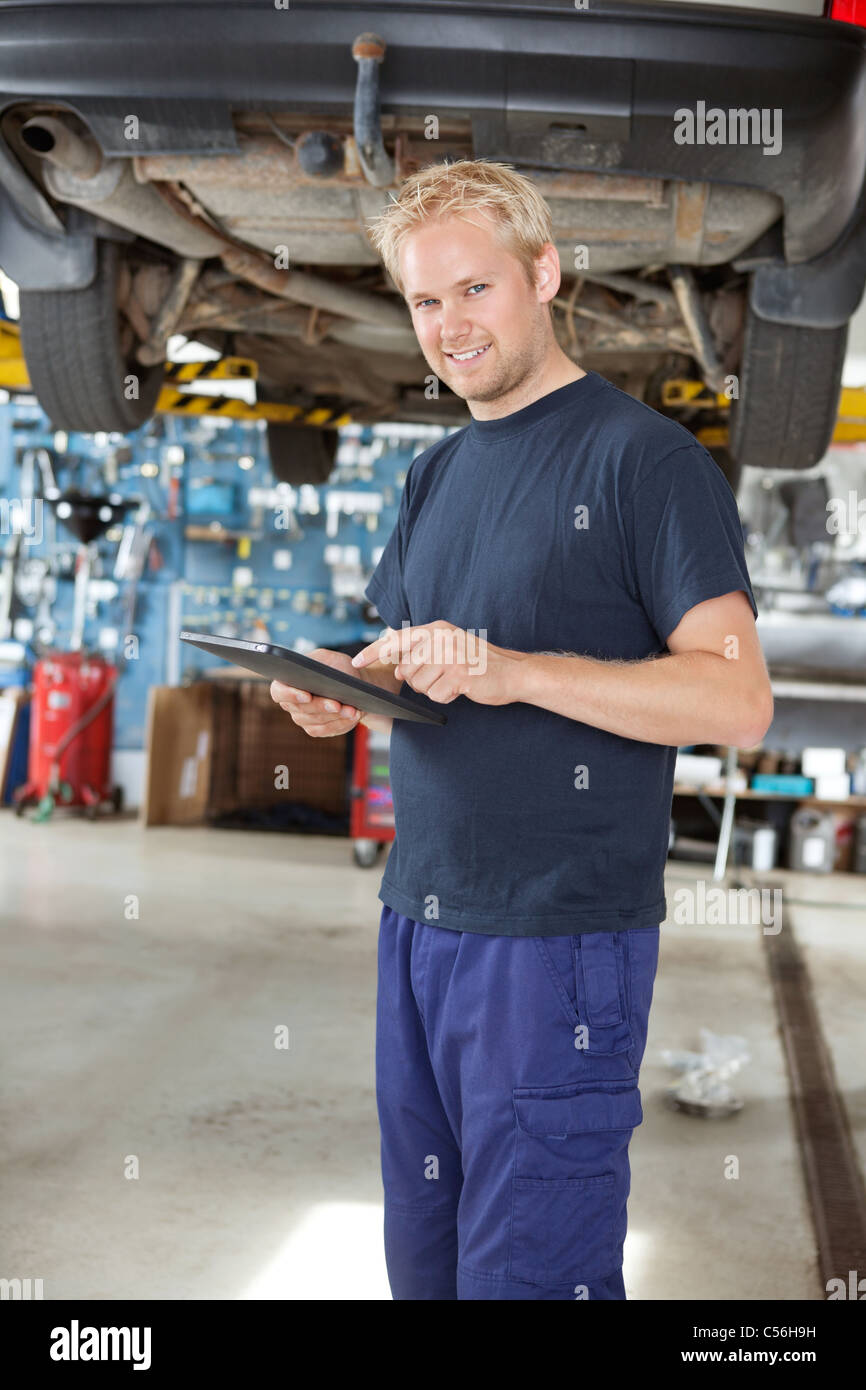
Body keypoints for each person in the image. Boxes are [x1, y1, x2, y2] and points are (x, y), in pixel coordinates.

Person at [270, 158, 773, 1300]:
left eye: (474, 289)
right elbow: (417, 670)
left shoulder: (644, 462)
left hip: (554, 944)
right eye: (422, 301)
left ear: (543, 274)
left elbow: (735, 699)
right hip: (421, 918)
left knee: (531, 1272)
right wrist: (335, 692)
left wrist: (519, 672)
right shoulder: (432, 474)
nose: (447, 326)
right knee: (429, 1263)